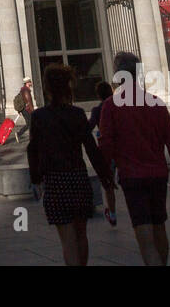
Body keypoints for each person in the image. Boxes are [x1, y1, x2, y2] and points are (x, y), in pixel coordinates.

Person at [97, 52, 170, 266]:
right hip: (158, 175)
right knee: (159, 226)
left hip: (132, 176)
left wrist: (106, 177)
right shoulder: (155, 103)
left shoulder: (111, 106)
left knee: (144, 231)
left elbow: (106, 146)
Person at [26, 63, 117, 266]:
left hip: (55, 180)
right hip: (77, 177)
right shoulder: (76, 114)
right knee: (81, 235)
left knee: (68, 240)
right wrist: (105, 176)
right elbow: (91, 148)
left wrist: (36, 179)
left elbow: (33, 149)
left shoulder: (39, 116)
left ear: (47, 88)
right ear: (68, 87)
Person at [14, 77, 37, 141]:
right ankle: (31, 137)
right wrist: (32, 110)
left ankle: (19, 134)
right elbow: (28, 101)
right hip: (27, 109)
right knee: (30, 123)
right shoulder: (26, 90)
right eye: (30, 82)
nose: (31, 83)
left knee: (29, 123)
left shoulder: (23, 89)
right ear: (27, 83)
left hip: (24, 109)